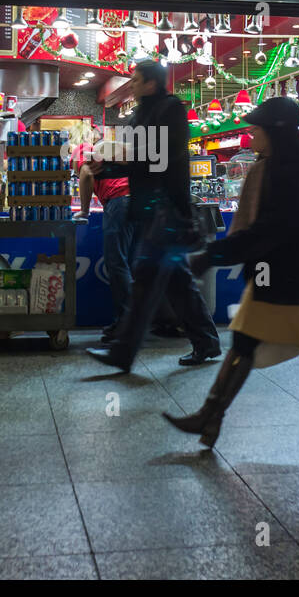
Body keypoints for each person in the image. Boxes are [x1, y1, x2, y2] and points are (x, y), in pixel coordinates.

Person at [167, 97, 299, 452]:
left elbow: (267, 230)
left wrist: (211, 256)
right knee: (265, 342)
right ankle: (212, 416)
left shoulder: (283, 172)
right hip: (295, 275)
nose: (250, 135)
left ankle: (211, 416)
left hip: (287, 277)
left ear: (275, 133)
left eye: (257, 129)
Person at [86, 60, 220, 370]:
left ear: (151, 83)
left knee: (145, 280)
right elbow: (140, 159)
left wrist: (115, 163)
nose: (130, 84)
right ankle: (207, 341)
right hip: (150, 209)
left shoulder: (170, 110)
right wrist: (108, 166)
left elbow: (162, 159)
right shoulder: (139, 115)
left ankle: (122, 353)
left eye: (135, 80)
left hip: (167, 210)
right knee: (177, 280)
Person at [70, 124, 134, 344]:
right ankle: (138, 321)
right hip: (139, 201)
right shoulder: (109, 152)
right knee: (131, 263)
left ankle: (128, 324)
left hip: (119, 203)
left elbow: (86, 173)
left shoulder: (82, 150)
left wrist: (85, 210)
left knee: (117, 264)